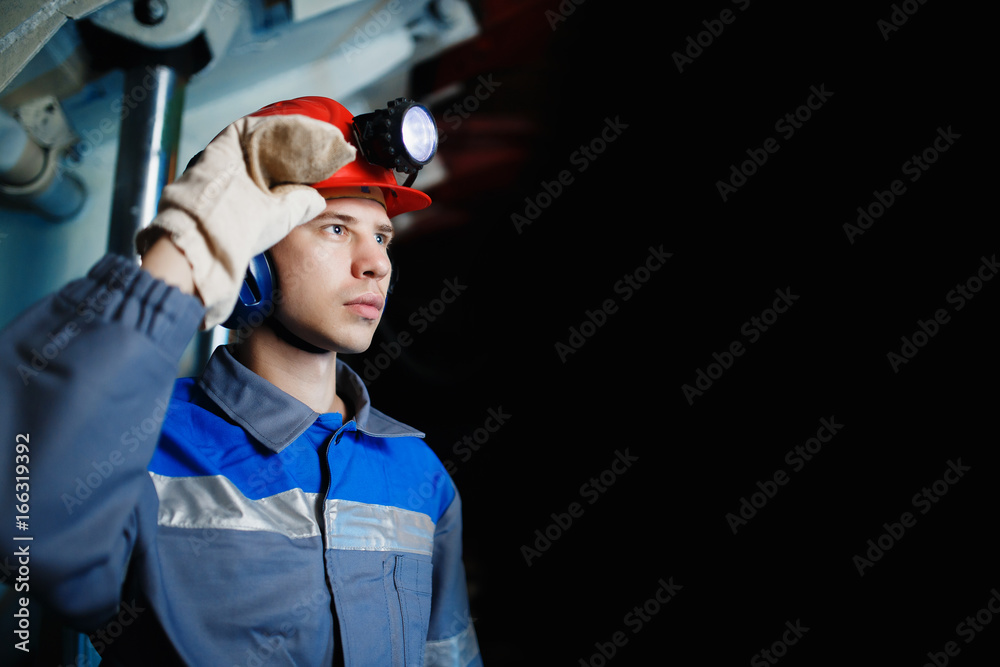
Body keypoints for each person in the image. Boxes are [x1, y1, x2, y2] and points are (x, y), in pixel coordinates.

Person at [0, 96, 482, 666]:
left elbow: (447, 656)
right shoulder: (143, 440)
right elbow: (30, 524)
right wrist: (187, 249)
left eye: (381, 237)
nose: (375, 263)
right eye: (335, 228)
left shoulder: (419, 474)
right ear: (252, 259)